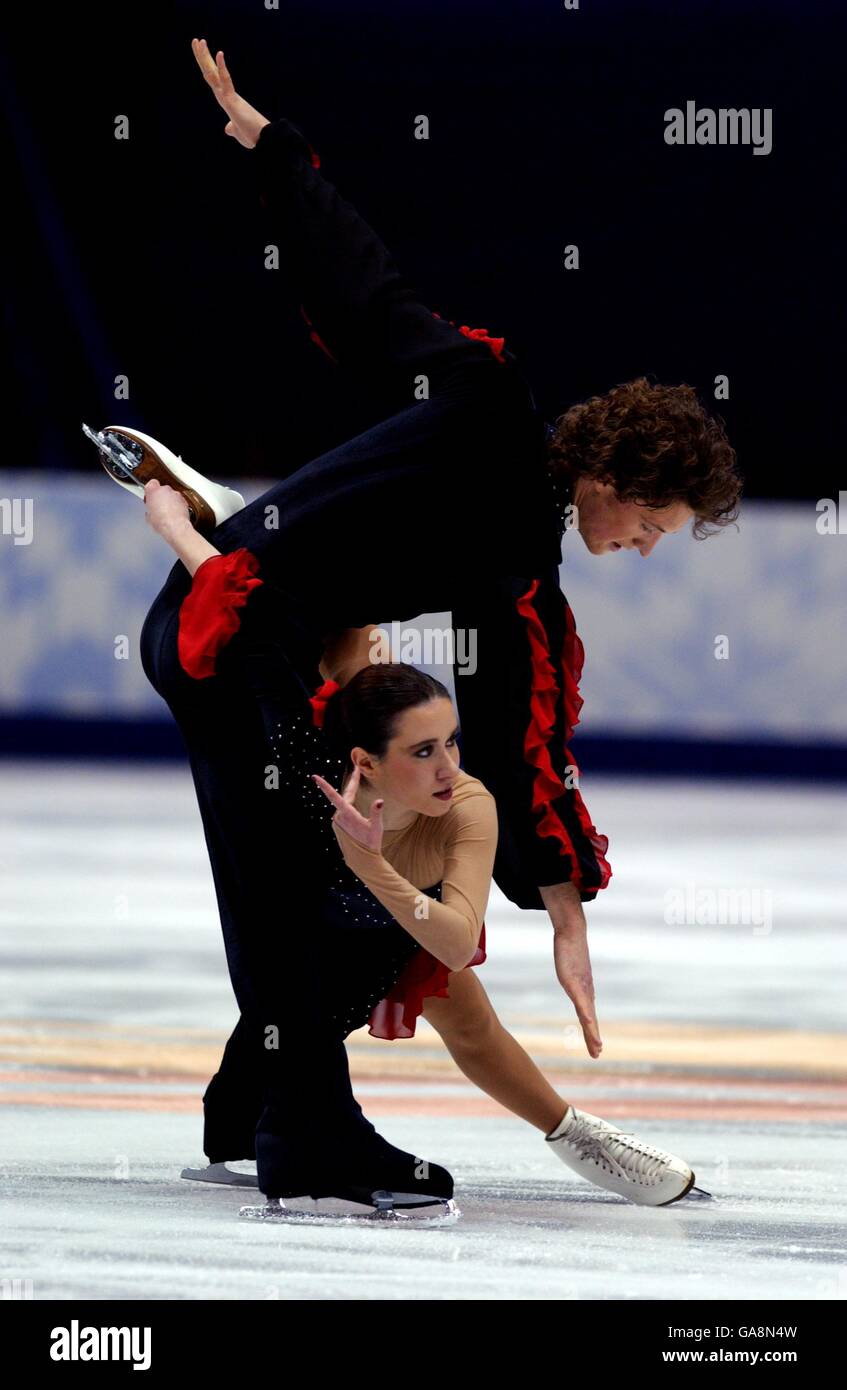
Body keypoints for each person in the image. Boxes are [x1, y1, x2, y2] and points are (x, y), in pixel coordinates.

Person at [98, 37, 739, 1206]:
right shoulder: (487, 408)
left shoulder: (520, 574)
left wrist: (564, 915)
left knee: (299, 882)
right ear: (616, 473)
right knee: (313, 890)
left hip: (232, 642)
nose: (648, 545)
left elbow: (515, 732)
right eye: (655, 519)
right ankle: (307, 1134)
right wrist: (276, 152)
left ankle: (254, 1107)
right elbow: (368, 293)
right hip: (238, 642)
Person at [139, 478, 699, 1207]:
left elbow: (455, 939)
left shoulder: (463, 804)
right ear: (364, 760)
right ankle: (261, 1123)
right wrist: (178, 525)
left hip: (385, 885)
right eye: (423, 753)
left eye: (451, 744)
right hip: (328, 831)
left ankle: (246, 1118)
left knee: (382, 974)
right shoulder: (304, 767)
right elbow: (243, 608)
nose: (448, 770)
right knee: (329, 958)